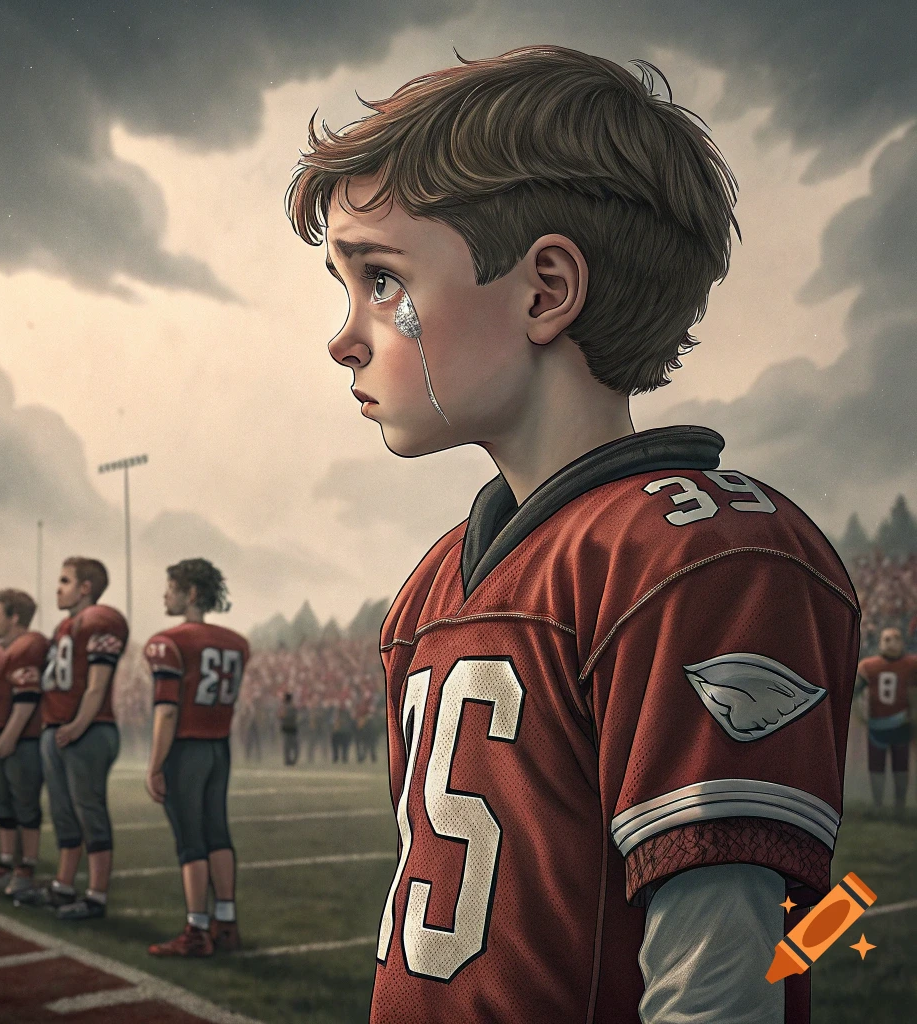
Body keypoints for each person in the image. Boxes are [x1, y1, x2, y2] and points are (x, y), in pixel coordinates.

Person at [287, 46, 860, 1024]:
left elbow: (716, 981)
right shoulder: (434, 585)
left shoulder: (698, 555)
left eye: (381, 280)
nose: (344, 335)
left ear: (545, 289)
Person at [143, 558, 250, 957]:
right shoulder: (236, 642)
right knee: (217, 833)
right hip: (218, 746)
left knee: (191, 841)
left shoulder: (169, 642)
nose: (164, 594)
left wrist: (155, 765)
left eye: (170, 587)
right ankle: (227, 922)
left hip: (186, 748)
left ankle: (196, 931)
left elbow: (167, 711)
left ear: (190, 593)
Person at [15, 557, 128, 920]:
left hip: (87, 730)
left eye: (65, 581)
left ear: (86, 588)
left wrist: (78, 724)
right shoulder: (65, 626)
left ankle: (96, 896)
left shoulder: (101, 619)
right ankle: (63, 886)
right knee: (64, 812)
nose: (57, 588)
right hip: (59, 727)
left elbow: (97, 684)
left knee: (88, 810)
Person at [0, 591, 48, 894]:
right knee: (1, 805)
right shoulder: (0, 650)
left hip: (21, 740)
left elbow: (27, 698)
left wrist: (8, 736)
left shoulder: (29, 645)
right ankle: (4, 864)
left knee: (25, 806)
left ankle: (25, 869)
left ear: (14, 617)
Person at [855, 626, 917, 814]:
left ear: (903, 643)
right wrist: (860, 715)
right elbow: (854, 692)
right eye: (887, 639)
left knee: (901, 765)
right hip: (877, 725)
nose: (892, 643)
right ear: (880, 642)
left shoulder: (911, 664)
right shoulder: (868, 666)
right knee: (876, 766)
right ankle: (878, 805)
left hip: (901, 723)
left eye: (896, 638)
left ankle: (899, 805)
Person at [280, 693, 299, 766]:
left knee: (287, 746)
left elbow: (282, 717)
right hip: (291, 729)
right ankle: (291, 761)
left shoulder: (286, 708)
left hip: (287, 728)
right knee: (293, 746)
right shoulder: (291, 707)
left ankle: (288, 761)